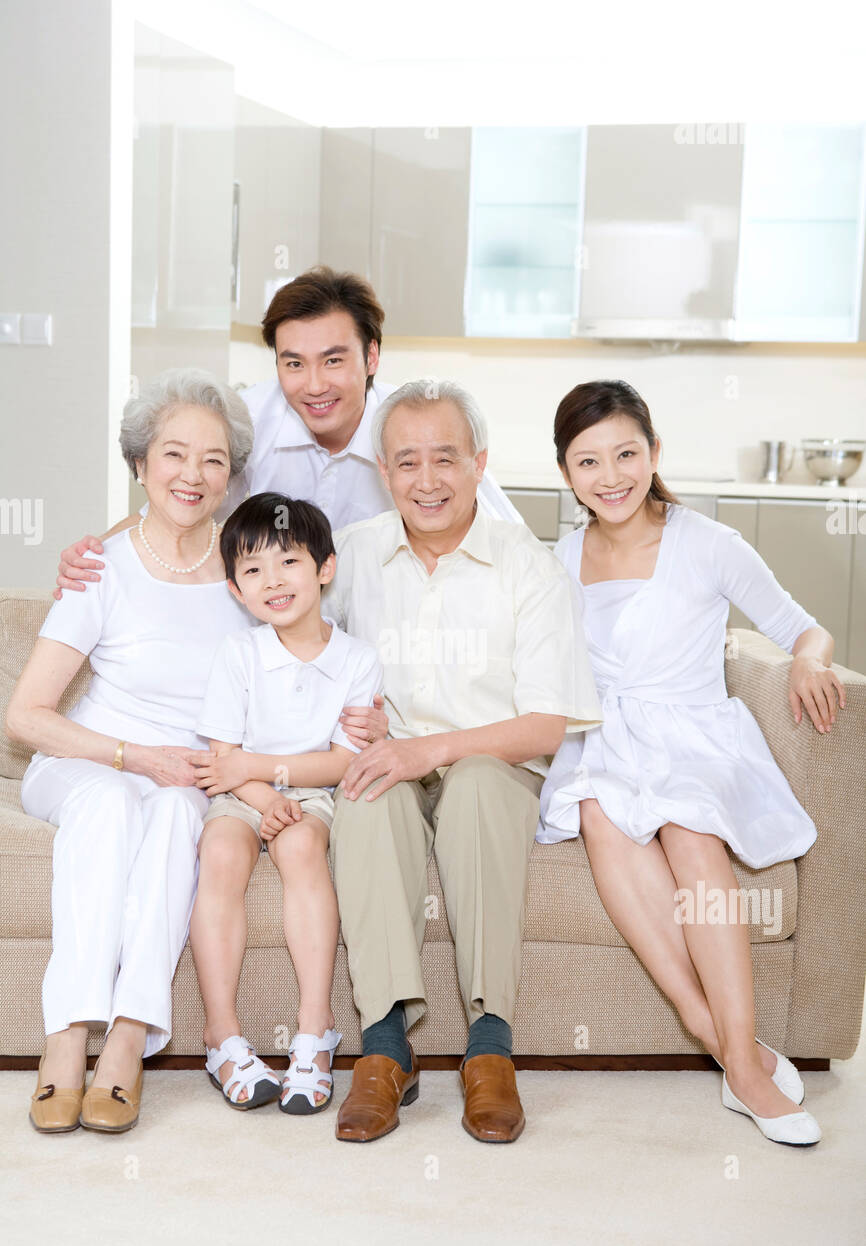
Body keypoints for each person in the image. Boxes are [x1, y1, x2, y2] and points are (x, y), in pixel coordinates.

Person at [536, 378, 845, 1147]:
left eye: (625, 454)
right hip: (605, 736)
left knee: (691, 833)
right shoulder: (560, 557)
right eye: (588, 461)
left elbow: (804, 629)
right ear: (565, 472)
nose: (610, 477)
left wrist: (810, 662)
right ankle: (730, 1049)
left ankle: (737, 1058)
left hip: (695, 735)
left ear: (654, 453)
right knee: (601, 814)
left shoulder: (708, 543)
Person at [323, 379, 602, 1144]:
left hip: (495, 764)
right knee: (367, 789)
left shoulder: (529, 565)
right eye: (407, 461)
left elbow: (545, 725)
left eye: (445, 459)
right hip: (395, 763)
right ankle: (385, 1050)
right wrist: (111, 551)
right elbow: (245, 579)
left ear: (480, 463)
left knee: (476, 783)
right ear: (383, 471)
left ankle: (489, 1050)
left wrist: (433, 749)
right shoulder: (348, 557)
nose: (427, 480)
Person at [6, 369, 257, 1133]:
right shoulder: (101, 567)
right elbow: (27, 716)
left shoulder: (250, 577)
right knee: (115, 801)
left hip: (181, 778)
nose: (193, 474)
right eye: (174, 454)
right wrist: (133, 755)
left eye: (214, 459)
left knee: (184, 813)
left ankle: (125, 1039)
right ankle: (66, 1035)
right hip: (86, 761)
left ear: (230, 476)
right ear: (142, 464)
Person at [53, 267, 522, 596]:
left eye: (334, 360)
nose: (314, 385)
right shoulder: (245, 420)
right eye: (293, 363)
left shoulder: (414, 426)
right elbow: (172, 506)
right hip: (265, 627)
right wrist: (96, 552)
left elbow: (505, 537)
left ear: (372, 356)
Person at [186, 493, 384, 1114]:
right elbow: (223, 755)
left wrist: (270, 777)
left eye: (288, 562)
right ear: (234, 589)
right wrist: (259, 791)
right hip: (242, 790)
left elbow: (342, 760)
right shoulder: (239, 654)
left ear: (325, 567)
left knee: (301, 847)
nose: (272, 581)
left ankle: (313, 1031)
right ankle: (222, 1034)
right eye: (252, 571)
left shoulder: (357, 659)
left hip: (310, 792)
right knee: (219, 850)